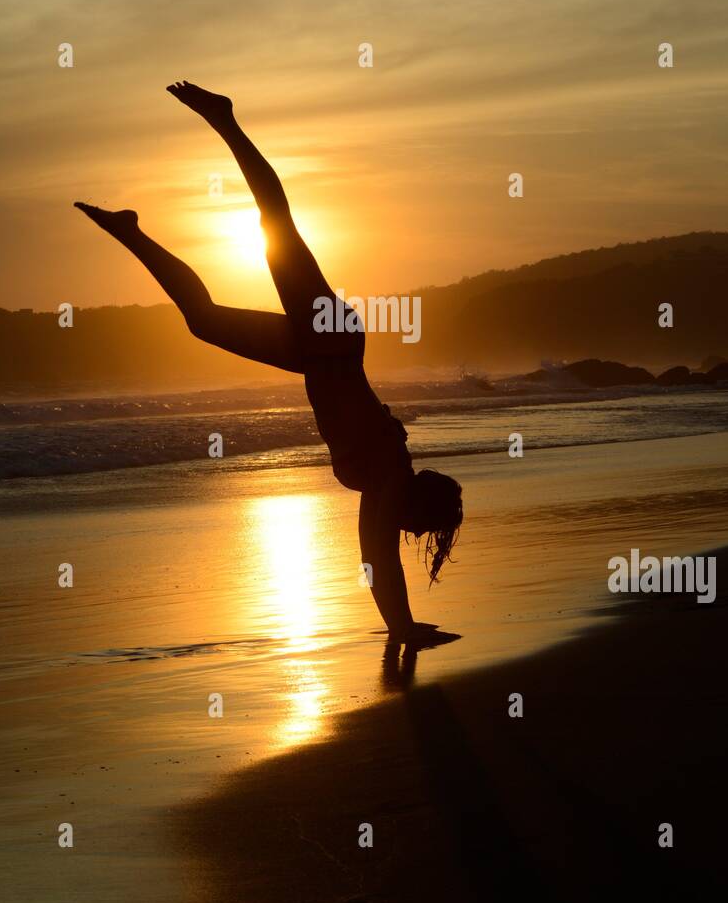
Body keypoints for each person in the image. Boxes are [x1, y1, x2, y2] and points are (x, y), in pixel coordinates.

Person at [76, 82, 462, 648]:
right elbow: (381, 558)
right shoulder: (388, 477)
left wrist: (400, 628)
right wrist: (405, 631)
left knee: (203, 321)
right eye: (426, 527)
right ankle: (226, 120)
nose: (415, 533)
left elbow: (372, 558)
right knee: (275, 228)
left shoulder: (383, 485)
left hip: (317, 353)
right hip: (331, 341)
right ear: (419, 507)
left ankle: (130, 230)